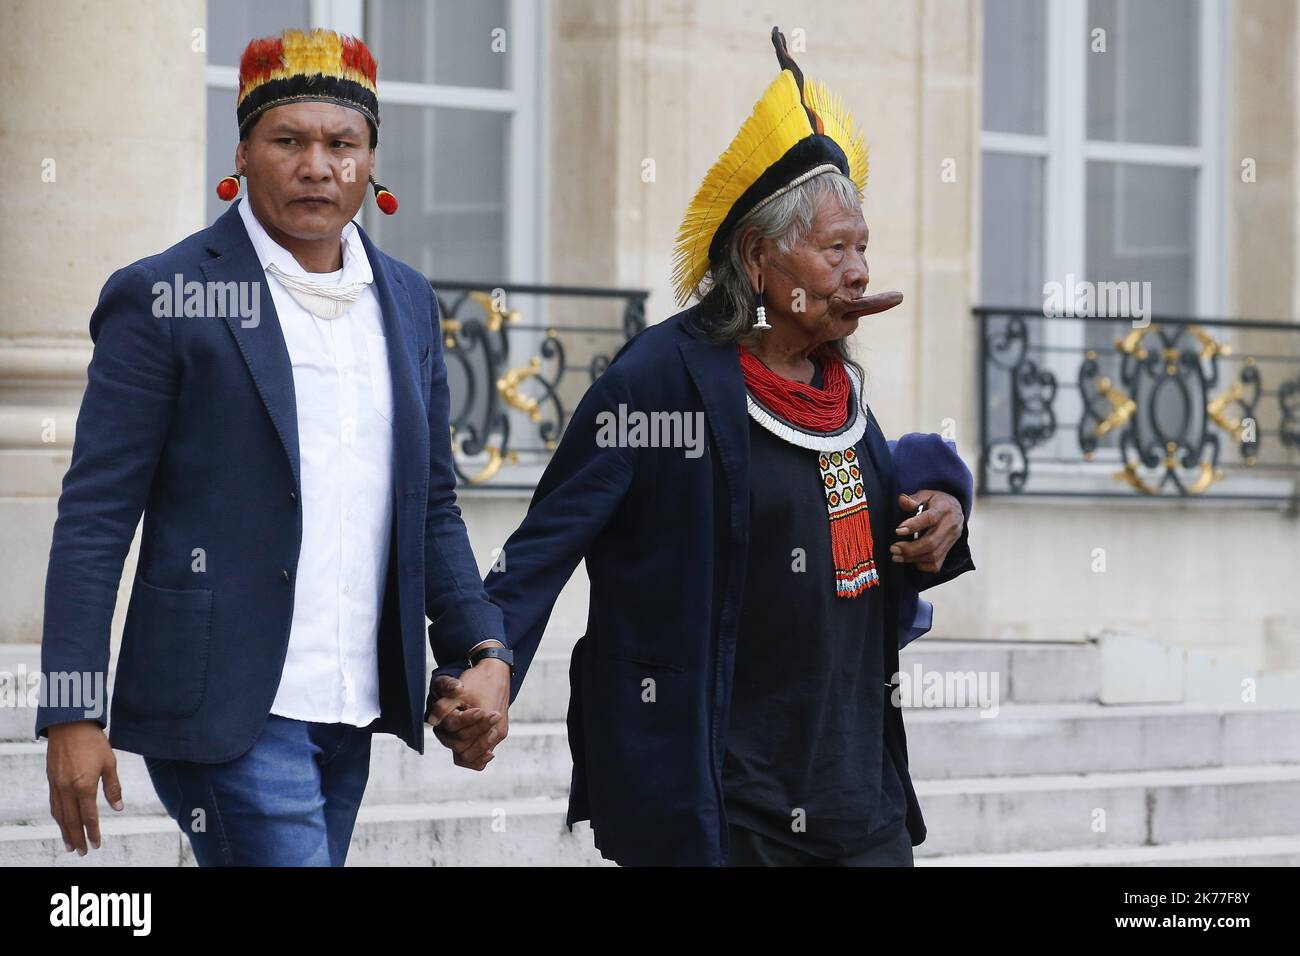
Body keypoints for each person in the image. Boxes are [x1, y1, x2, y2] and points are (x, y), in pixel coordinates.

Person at [428, 27, 975, 866]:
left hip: (858, 799)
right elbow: (543, 549)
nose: (861, 271)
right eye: (836, 250)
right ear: (760, 260)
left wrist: (940, 518)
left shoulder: (840, 389)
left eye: (862, 246)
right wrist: (488, 662)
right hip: (720, 805)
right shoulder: (656, 382)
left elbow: (860, 533)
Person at [37, 28, 508, 866]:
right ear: (244, 154)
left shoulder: (405, 301)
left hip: (353, 703)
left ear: (372, 162)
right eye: (289, 141)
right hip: (223, 707)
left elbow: (431, 502)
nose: (318, 166)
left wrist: (483, 648)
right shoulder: (165, 294)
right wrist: (75, 708)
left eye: (343, 144)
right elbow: (96, 516)